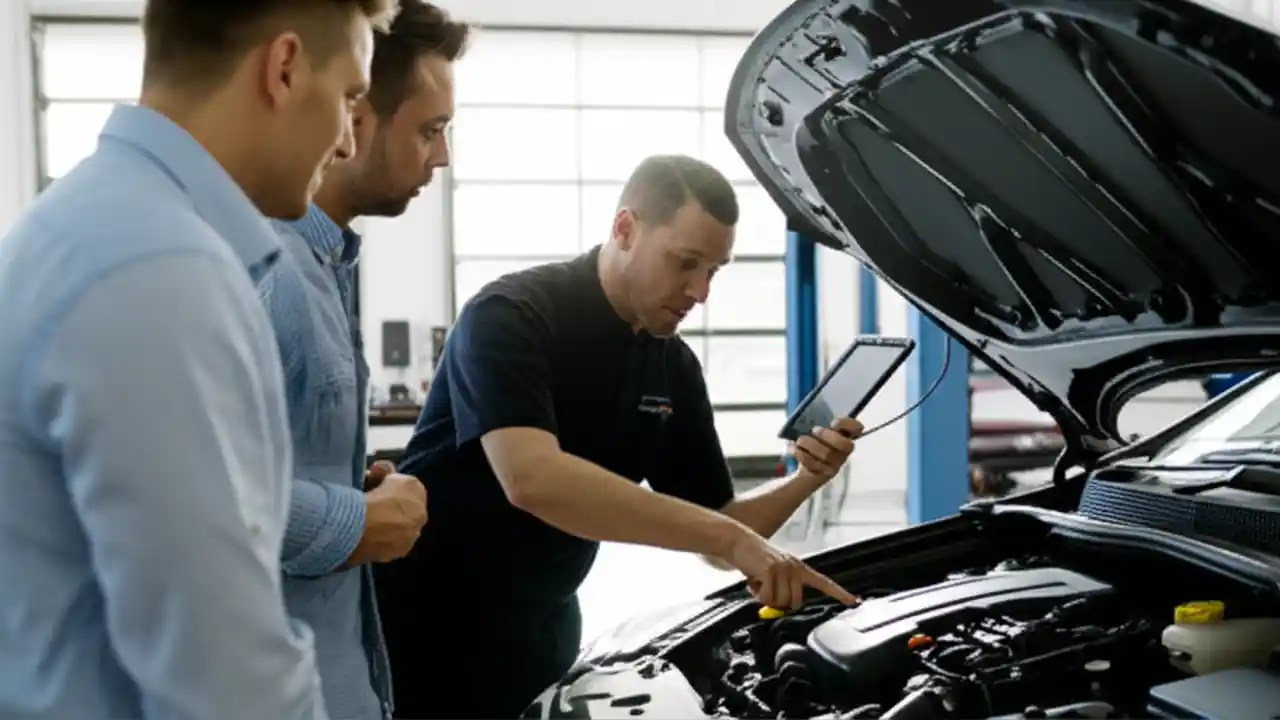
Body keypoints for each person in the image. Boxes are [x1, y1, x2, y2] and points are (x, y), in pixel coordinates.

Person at [0, 1, 395, 718]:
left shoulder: (87, 226)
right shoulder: (162, 266)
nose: (345, 141)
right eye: (348, 98)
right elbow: (228, 683)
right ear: (283, 69)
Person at [375, 154, 864, 719]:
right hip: (426, 626)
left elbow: (721, 528)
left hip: (543, 633)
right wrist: (731, 539)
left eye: (714, 271)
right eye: (685, 263)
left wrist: (806, 479)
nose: (700, 292)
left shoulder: (673, 366)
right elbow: (532, 478)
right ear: (626, 229)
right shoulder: (511, 314)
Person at [258, 2, 466, 717]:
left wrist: (352, 485)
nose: (441, 157)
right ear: (353, 115)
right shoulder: (267, 269)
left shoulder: (324, 262)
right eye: (430, 131)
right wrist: (354, 519)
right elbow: (185, 492)